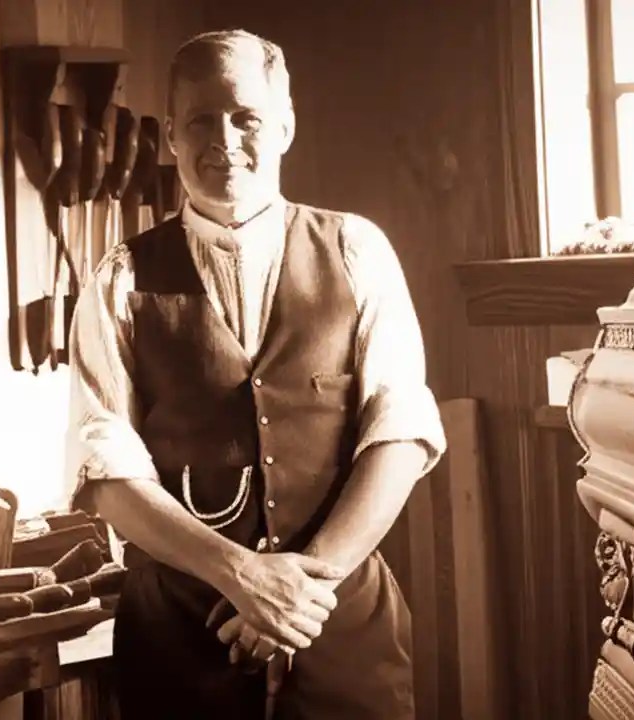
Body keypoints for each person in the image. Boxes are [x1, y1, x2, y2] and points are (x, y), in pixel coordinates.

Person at [64, 28, 446, 720]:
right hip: (181, 647)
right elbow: (106, 474)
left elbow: (401, 434)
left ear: (286, 126)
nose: (224, 140)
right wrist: (240, 575)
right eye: (201, 121)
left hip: (343, 640)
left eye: (245, 118)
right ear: (171, 135)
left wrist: (302, 592)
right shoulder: (119, 280)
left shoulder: (359, 250)